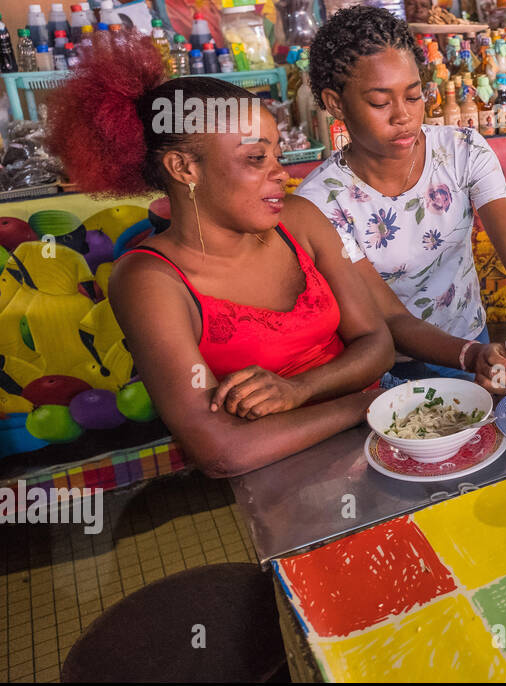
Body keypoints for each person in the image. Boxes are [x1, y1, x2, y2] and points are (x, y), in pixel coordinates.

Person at [46, 35, 394, 477]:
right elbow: (220, 452)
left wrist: (301, 389)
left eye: (277, 155)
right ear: (184, 169)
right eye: (255, 158)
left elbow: (377, 343)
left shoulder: (300, 220)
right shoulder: (150, 280)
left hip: (387, 431)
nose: (280, 174)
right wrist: (366, 404)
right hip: (285, 470)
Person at [297, 6, 506, 394]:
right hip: (384, 367)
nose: (404, 116)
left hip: (470, 338)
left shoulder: (462, 150)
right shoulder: (321, 202)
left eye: (414, 96)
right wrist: (468, 356)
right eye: (381, 103)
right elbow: (392, 319)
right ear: (335, 103)